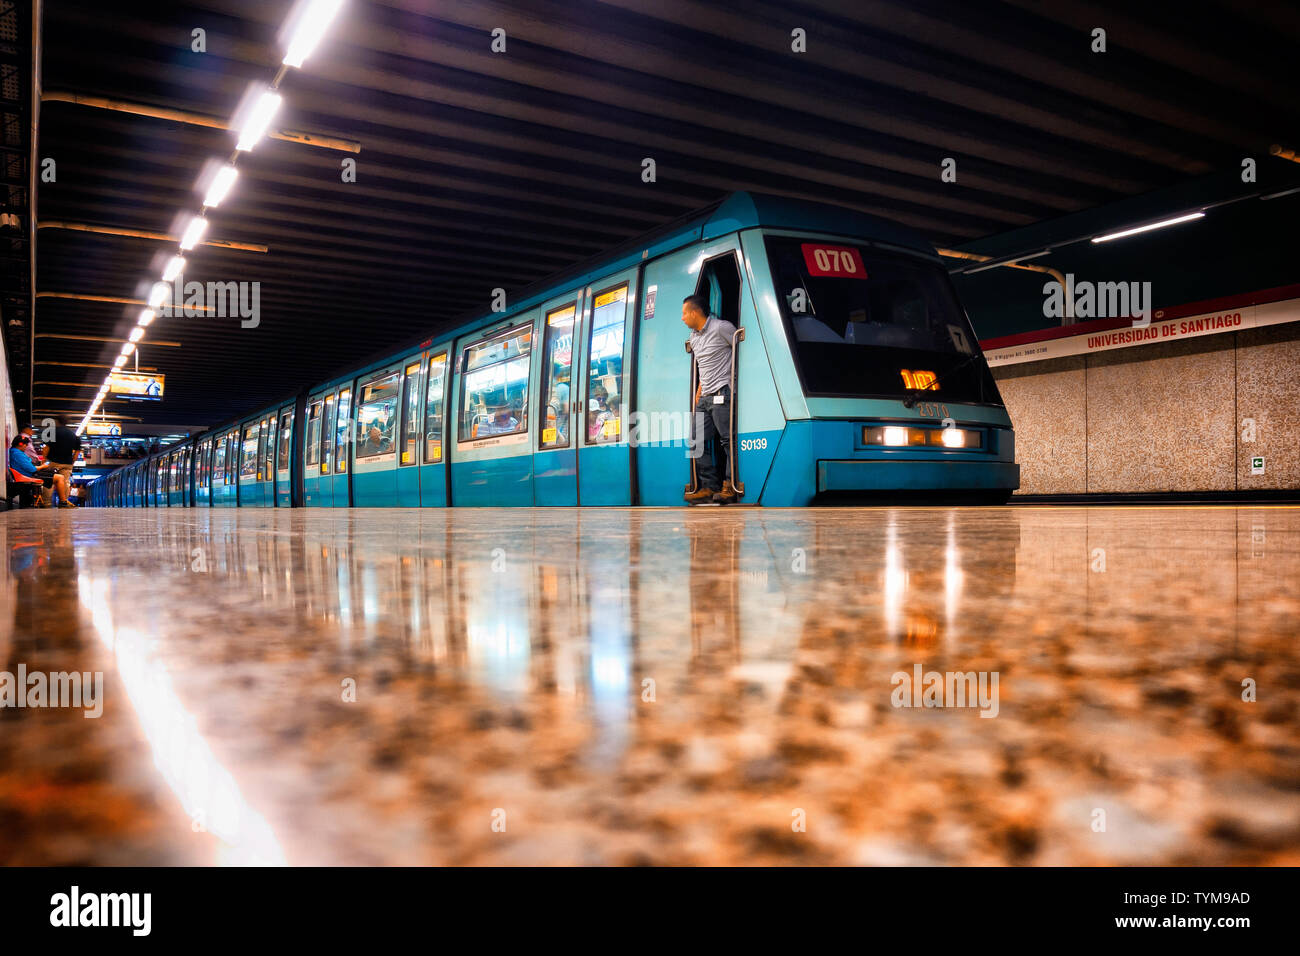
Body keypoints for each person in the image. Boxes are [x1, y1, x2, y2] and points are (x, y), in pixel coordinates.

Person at [681, 294, 738, 504]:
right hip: (704, 397)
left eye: (684, 313)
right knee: (696, 442)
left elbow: (739, 352)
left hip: (722, 393)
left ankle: (730, 484)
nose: (682, 318)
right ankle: (708, 486)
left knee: (726, 440)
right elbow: (703, 366)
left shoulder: (722, 328)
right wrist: (699, 388)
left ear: (695, 312)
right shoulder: (694, 338)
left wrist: (732, 380)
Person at [41, 417, 82, 508]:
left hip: (53, 462)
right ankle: (63, 502)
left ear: (57, 422)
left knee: (49, 481)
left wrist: (44, 460)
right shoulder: (73, 435)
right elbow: (77, 452)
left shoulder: (52, 432)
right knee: (65, 482)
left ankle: (47, 503)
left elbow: (46, 448)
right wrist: (72, 461)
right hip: (67, 463)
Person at [8, 436, 50, 508]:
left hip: (25, 475)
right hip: (27, 476)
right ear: (21, 444)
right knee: (58, 478)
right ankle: (56, 502)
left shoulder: (15, 452)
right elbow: (32, 469)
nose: (26, 447)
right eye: (26, 445)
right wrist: (43, 466)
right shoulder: (17, 454)